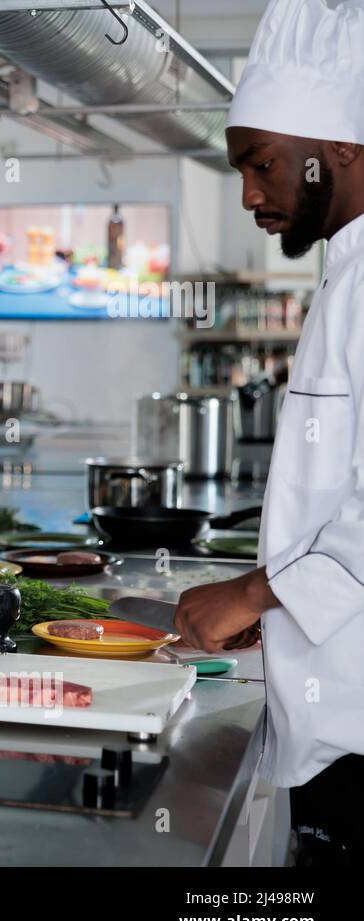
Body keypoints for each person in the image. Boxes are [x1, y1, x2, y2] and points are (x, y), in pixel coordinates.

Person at [174, 0, 364, 865]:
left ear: (343, 149)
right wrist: (276, 604)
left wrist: (253, 595)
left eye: (264, 164)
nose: (250, 194)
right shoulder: (344, 273)